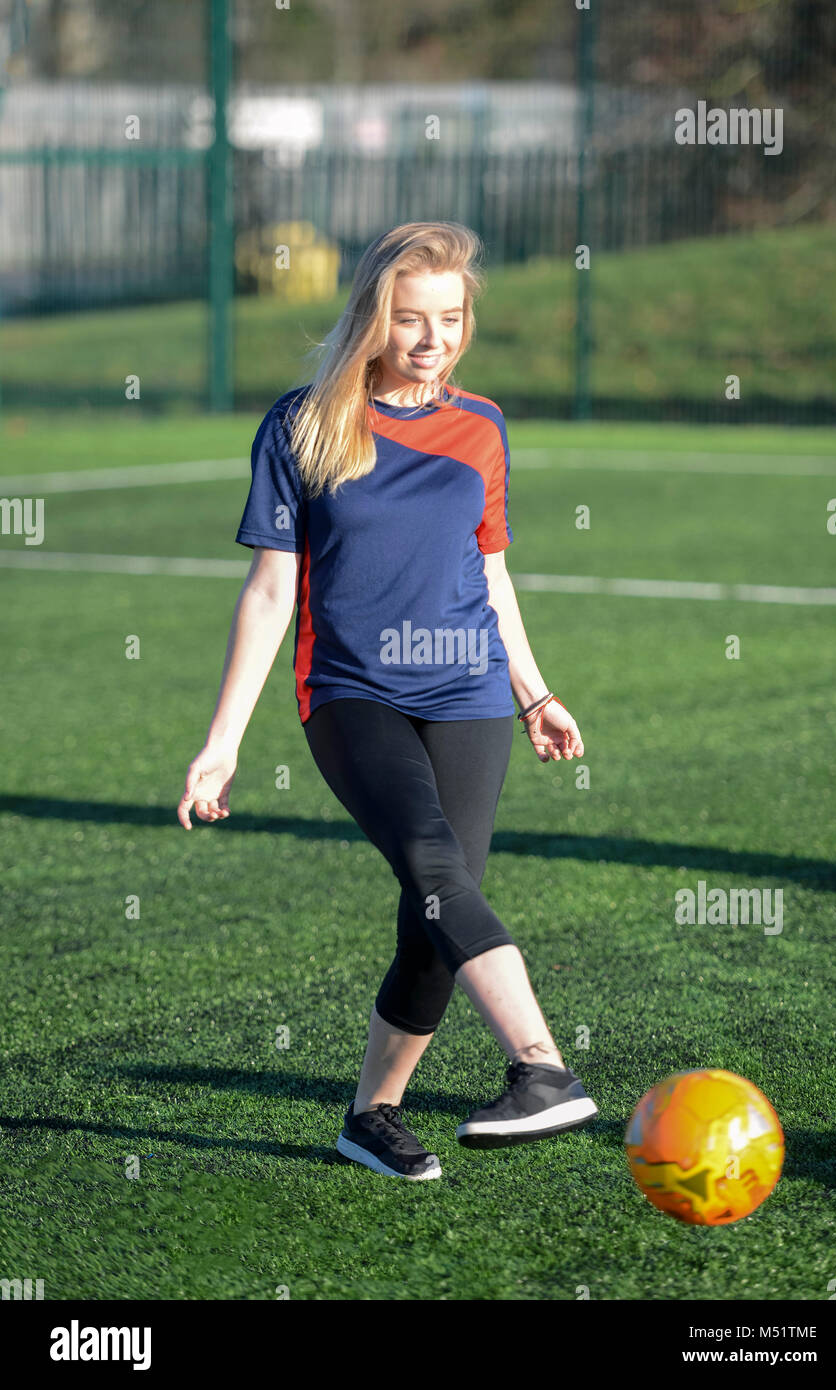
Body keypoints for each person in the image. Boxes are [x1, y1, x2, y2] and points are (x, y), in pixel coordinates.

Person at [177, 221, 598, 1181]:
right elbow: (273, 591)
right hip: (352, 693)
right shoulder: (301, 424)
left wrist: (534, 693)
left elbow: (489, 573)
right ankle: (540, 1064)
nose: (431, 339)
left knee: (436, 916)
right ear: (372, 316)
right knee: (434, 865)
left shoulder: (481, 427)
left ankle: (371, 1115)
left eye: (449, 320)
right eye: (410, 320)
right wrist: (222, 743)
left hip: (471, 693)